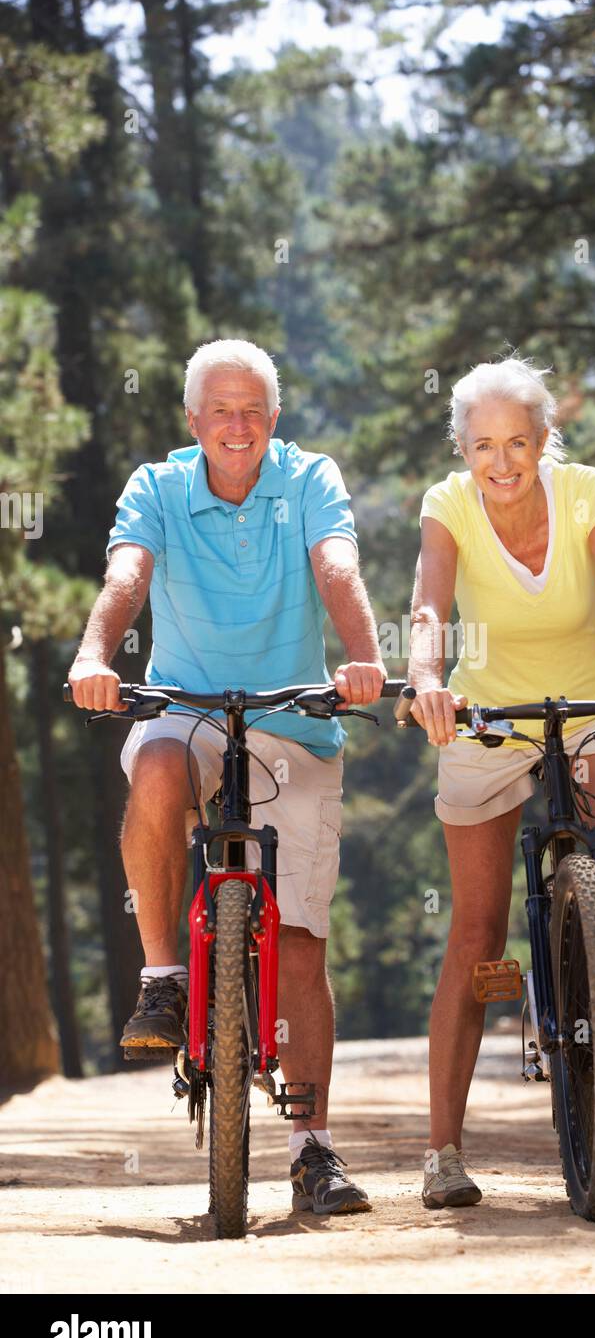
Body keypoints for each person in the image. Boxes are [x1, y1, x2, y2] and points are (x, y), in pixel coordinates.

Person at [67, 338, 386, 1216]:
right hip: (189, 708)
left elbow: (336, 566)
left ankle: (313, 1150)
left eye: (253, 410)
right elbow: (127, 574)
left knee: (302, 942)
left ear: (273, 419)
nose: (237, 426)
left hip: (298, 720)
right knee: (159, 761)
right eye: (220, 410)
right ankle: (164, 975)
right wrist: (97, 652)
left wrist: (364, 660)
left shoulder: (310, 479)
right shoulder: (157, 487)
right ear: (192, 421)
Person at [407, 355, 595, 1209]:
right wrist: (426, 680)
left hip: (593, 702)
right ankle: (444, 1153)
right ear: (462, 447)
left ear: (543, 441)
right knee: (478, 929)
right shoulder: (447, 505)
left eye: (518, 442)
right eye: (483, 445)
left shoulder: (585, 492)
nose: (501, 462)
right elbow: (427, 607)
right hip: (486, 715)